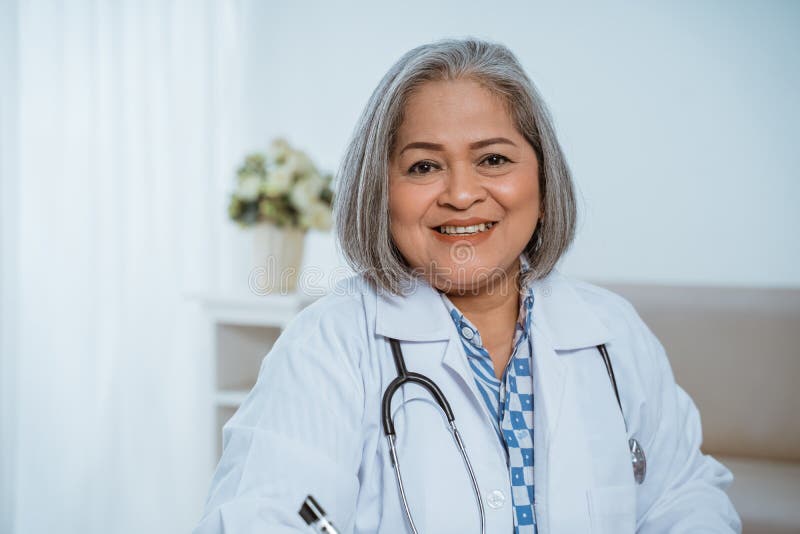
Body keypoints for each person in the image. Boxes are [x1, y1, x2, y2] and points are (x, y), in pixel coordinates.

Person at [194, 38, 741, 533]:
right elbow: (262, 516)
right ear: (380, 193)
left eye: (494, 159)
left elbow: (683, 499)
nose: (460, 194)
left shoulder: (612, 333)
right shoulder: (327, 346)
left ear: (544, 183)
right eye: (424, 166)